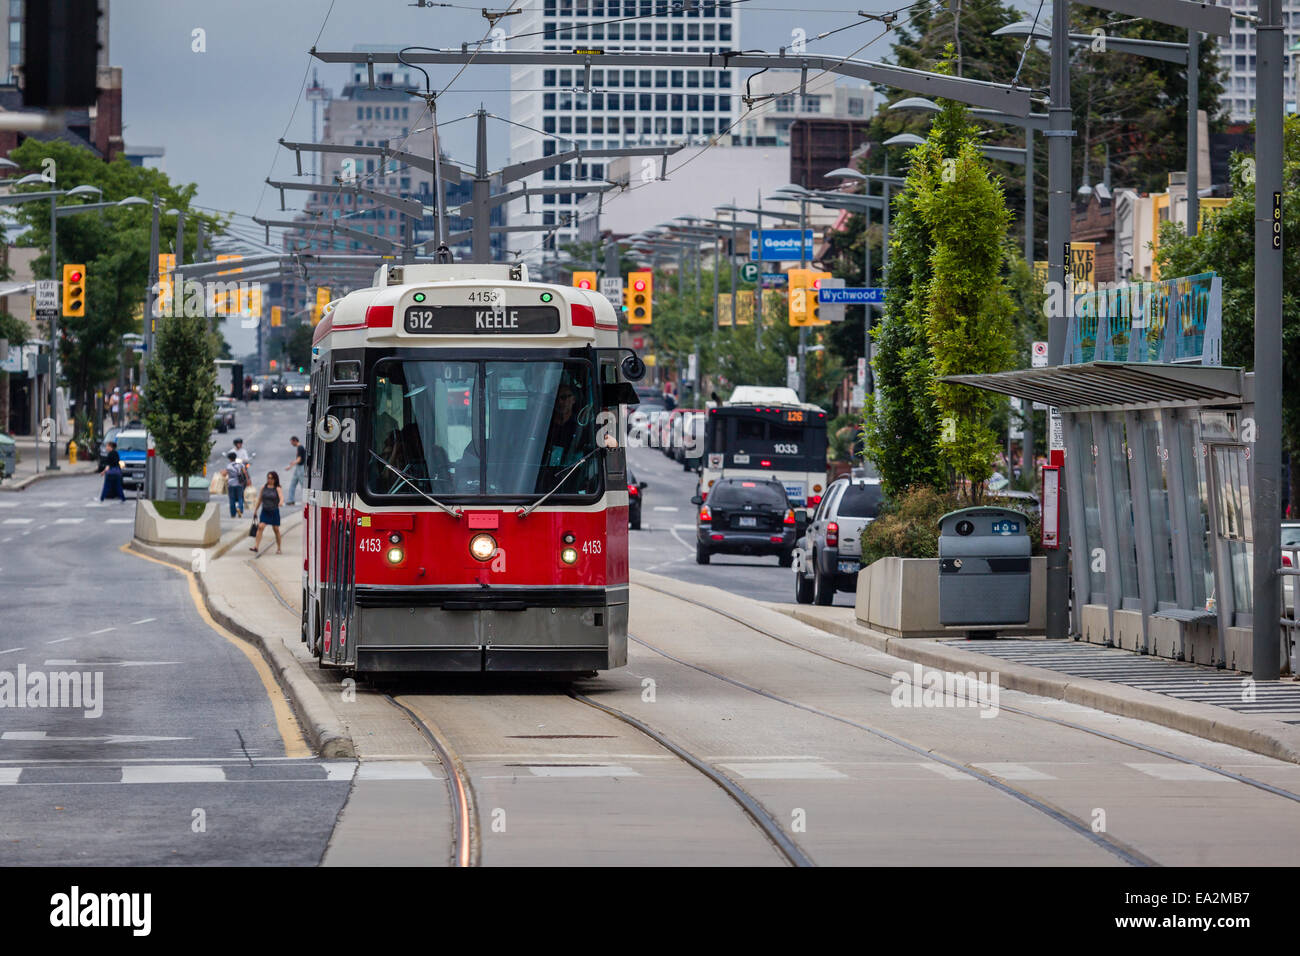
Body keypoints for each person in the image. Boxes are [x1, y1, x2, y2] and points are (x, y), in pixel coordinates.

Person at [250, 471, 284, 554]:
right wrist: (255, 510)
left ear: (275, 479)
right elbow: (260, 499)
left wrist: (281, 502)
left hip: (274, 511)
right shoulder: (263, 487)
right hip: (265, 511)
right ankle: (256, 547)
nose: (270, 480)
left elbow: (281, 497)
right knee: (261, 527)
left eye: (271, 478)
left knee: (276, 529)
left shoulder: (277, 488)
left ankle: (279, 548)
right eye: (268, 478)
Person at [224, 451, 247, 518]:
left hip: (231, 484)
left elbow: (224, 474)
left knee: (232, 499)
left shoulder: (228, 466)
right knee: (240, 497)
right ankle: (240, 508)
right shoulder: (240, 464)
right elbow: (245, 472)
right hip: (239, 483)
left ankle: (233, 514)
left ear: (229, 459)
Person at [285, 436, 306, 505]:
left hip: (301, 468)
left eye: (291, 442)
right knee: (292, 484)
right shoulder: (299, 447)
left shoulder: (300, 447)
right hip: (298, 468)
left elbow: (299, 459)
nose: (291, 444)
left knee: (303, 484)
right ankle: (291, 500)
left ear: (295, 441)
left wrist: (291, 465)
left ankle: (306, 499)